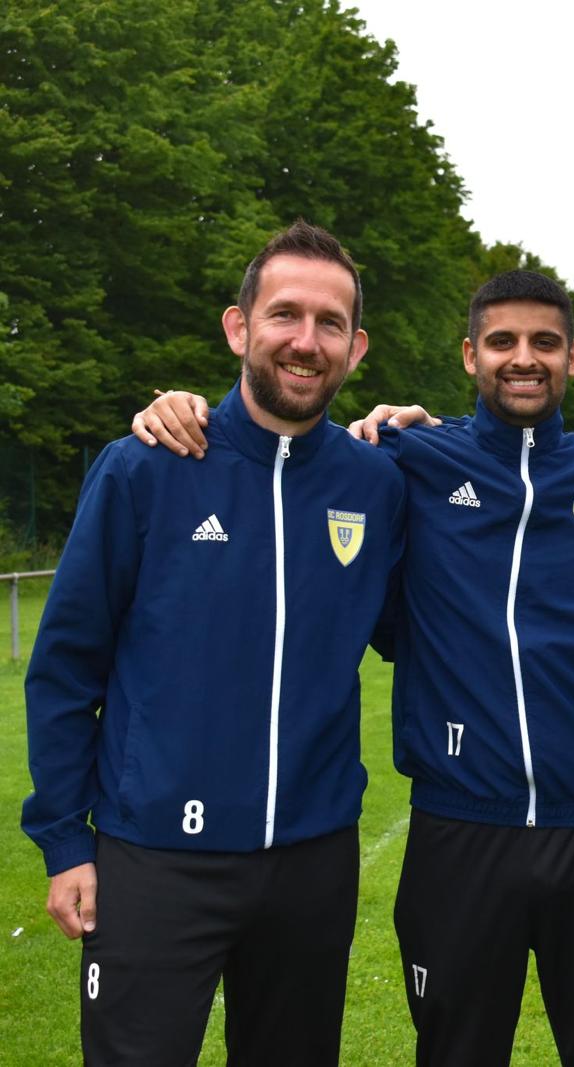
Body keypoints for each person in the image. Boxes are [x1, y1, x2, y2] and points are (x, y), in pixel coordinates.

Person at [132, 269, 574, 1067]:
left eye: (545, 343)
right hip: (459, 831)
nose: (525, 358)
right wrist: (182, 404)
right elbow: (295, 456)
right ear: (469, 354)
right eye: (504, 341)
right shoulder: (405, 462)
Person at [22, 220, 405, 1065]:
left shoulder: (376, 483)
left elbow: (412, 628)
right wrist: (64, 840)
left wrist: (436, 442)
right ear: (239, 328)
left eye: (329, 323)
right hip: (155, 859)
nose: (305, 341)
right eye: (285, 315)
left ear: (355, 346)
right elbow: (63, 668)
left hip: (311, 863)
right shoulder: (147, 464)